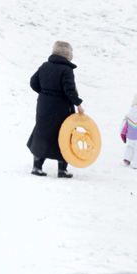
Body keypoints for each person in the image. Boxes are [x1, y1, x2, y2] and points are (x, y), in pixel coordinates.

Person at [26, 40, 83, 177]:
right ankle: (62, 170)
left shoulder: (45, 66)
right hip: (61, 106)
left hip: (44, 104)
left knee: (42, 132)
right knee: (64, 133)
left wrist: (44, 93)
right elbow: (69, 89)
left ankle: (37, 167)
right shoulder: (66, 70)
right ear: (68, 55)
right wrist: (78, 104)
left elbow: (33, 82)